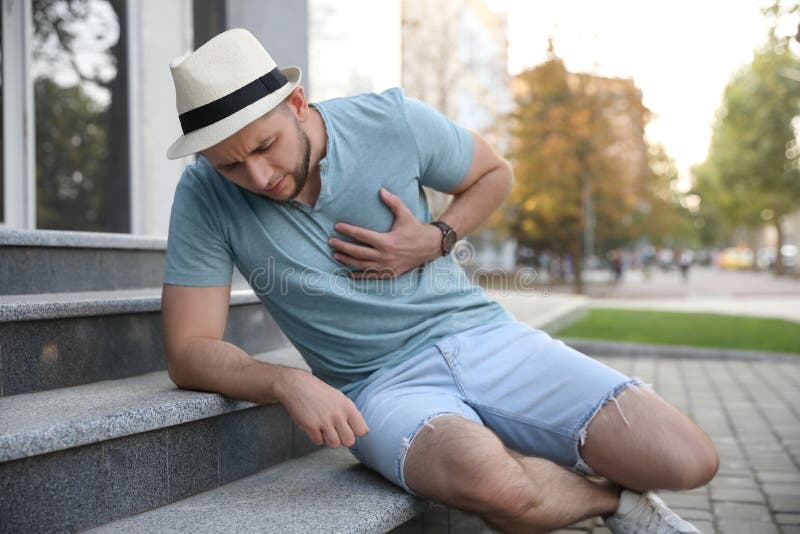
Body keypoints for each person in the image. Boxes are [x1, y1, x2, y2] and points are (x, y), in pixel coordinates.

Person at [161, 29, 718, 533]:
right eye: (231, 165)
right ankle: (612, 503)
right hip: (380, 387)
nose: (258, 177)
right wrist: (288, 383)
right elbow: (189, 350)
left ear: (298, 104)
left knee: (688, 459)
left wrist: (438, 236)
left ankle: (538, 462)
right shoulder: (204, 195)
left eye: (264, 147)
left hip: (485, 336)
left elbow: (495, 172)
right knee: (496, 485)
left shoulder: (390, 121)